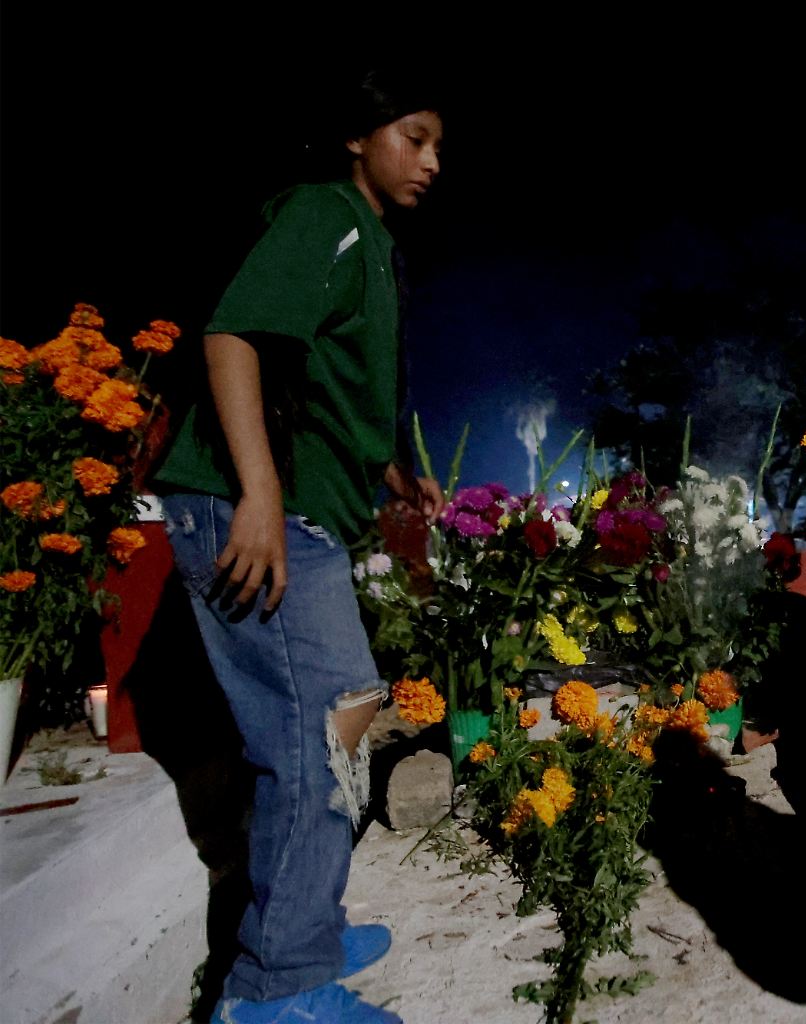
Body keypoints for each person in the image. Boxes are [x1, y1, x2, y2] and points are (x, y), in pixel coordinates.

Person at [152, 70, 446, 1024]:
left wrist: (397, 474)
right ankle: (275, 989)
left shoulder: (365, 240)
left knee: (345, 720)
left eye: (440, 144)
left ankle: (304, 927)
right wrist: (261, 496)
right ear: (360, 137)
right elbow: (233, 335)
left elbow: (328, 390)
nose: (433, 160)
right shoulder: (326, 214)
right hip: (250, 509)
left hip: (299, 512)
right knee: (319, 739)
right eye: (416, 135)